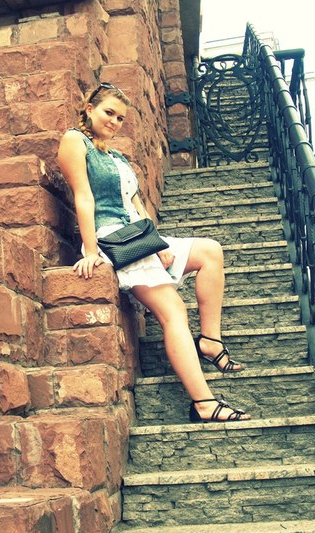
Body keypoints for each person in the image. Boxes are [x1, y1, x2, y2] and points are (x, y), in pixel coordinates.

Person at [58, 82, 250, 423]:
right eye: (109, 113)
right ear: (89, 109)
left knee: (210, 252)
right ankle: (204, 404)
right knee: (174, 311)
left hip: (140, 237)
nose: (115, 122)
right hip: (112, 239)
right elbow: (83, 197)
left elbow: (138, 207)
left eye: (120, 118)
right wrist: (90, 250)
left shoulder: (117, 157)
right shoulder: (75, 140)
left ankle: (210, 341)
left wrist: (157, 243)